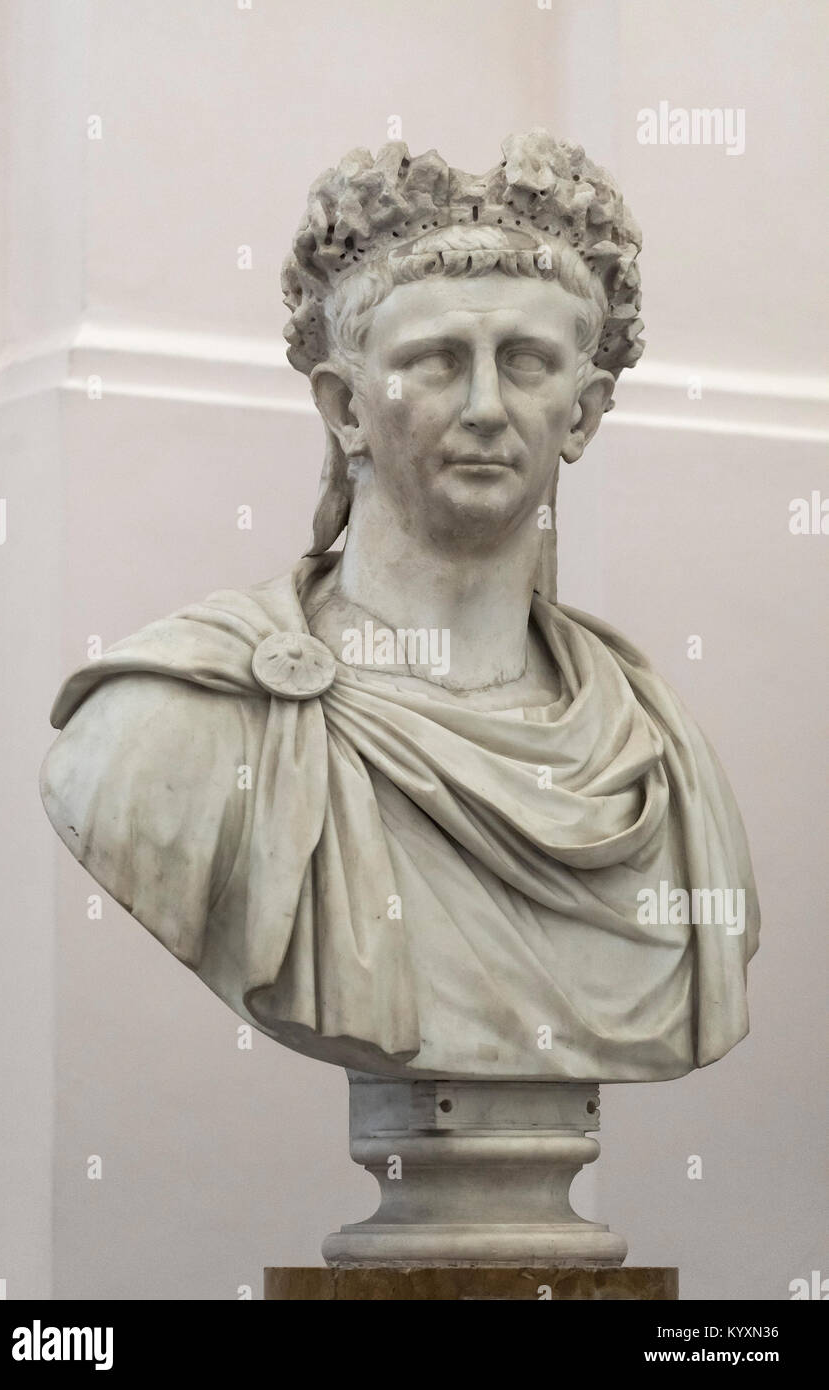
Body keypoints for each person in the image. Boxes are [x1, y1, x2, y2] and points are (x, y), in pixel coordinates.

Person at [41, 129, 759, 1081]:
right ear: (343, 406)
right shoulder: (170, 724)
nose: (485, 407)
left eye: (528, 362)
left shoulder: (662, 756)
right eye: (433, 359)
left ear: (582, 414)